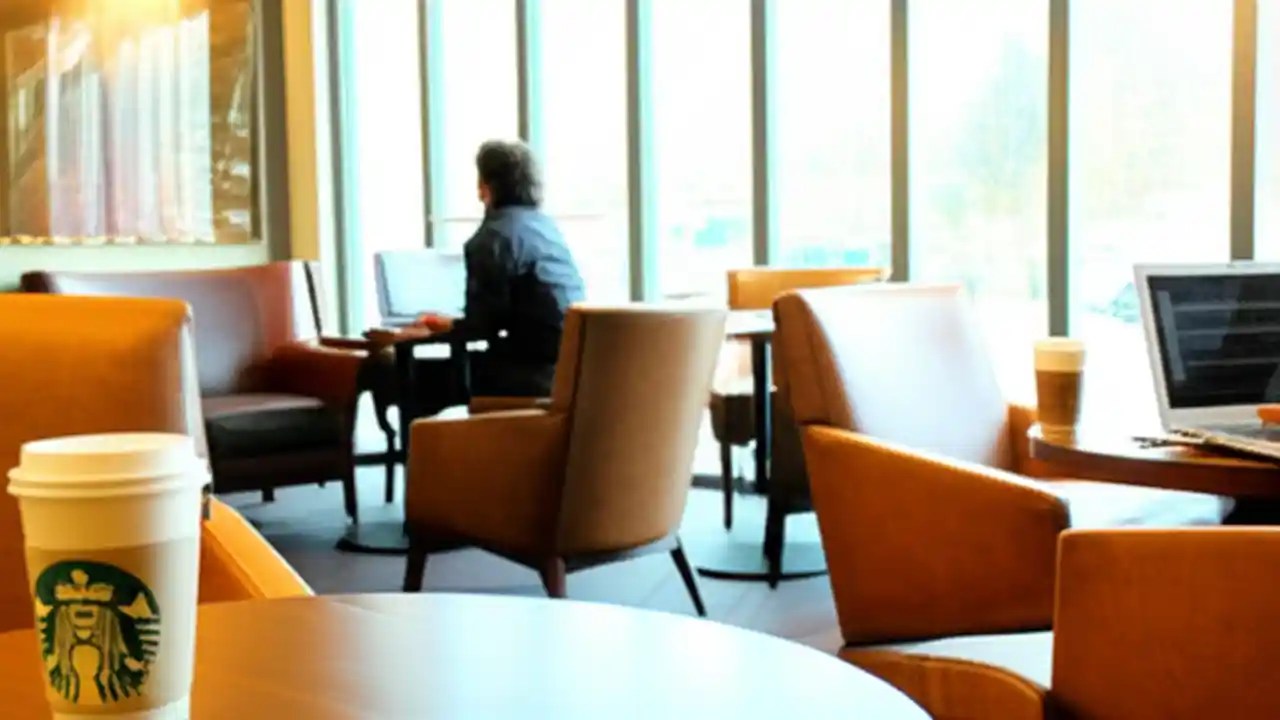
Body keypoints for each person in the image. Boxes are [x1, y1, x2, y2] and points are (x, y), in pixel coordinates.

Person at [366, 140, 585, 412]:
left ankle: (420, 452)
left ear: (485, 187)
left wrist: (419, 333)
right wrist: (449, 324)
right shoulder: (545, 228)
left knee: (408, 378)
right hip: (569, 369)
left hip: (525, 375)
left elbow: (481, 327)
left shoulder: (491, 239)